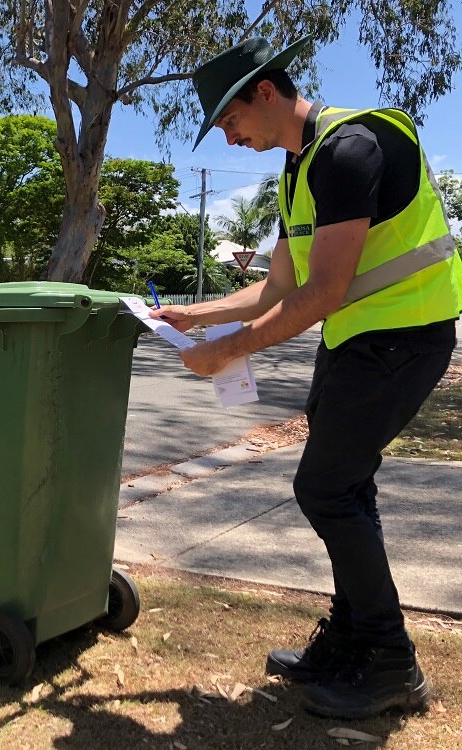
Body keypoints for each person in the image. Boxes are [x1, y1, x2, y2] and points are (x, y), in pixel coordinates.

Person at [153, 35, 462, 719]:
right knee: (345, 487)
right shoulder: (299, 170)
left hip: (405, 335)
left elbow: (322, 290)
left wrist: (227, 350)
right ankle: (352, 640)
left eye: (230, 120)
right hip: (358, 340)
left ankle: (390, 661)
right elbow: (277, 288)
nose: (229, 138)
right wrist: (193, 316)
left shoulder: (348, 150)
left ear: (265, 92)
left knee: (325, 488)